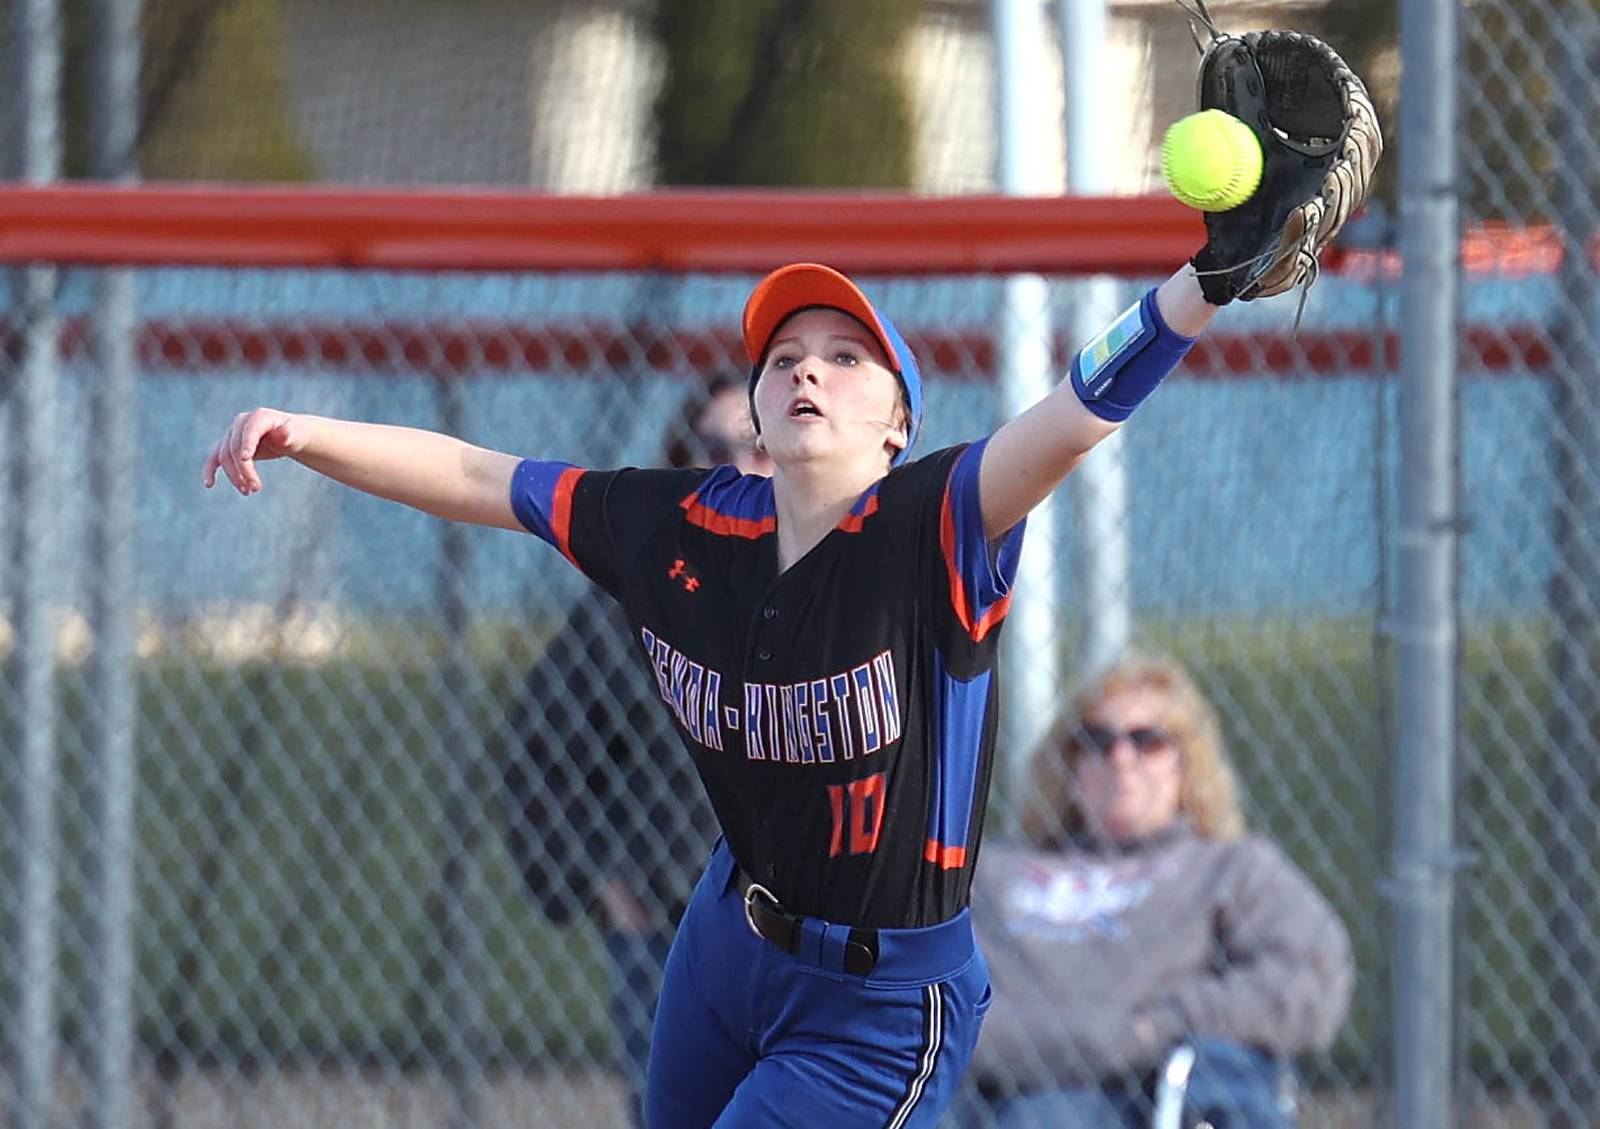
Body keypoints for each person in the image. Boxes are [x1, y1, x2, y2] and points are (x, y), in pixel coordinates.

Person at [203, 257, 1220, 1127]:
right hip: (726, 946)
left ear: (897, 424)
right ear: (757, 407)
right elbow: (482, 479)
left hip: (877, 999)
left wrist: (1204, 281)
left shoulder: (935, 524)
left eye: (845, 357)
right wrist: (307, 433)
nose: (805, 369)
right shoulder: (680, 525)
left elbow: (1078, 413)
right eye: (783, 357)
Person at [499, 375, 771, 1127]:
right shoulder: (634, 601)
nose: (739, 466)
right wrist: (601, 884)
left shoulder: (840, 585)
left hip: (813, 931)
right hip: (672, 926)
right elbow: (538, 757)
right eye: (711, 448)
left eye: (757, 445)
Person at [959, 652, 1353, 1129]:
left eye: (1147, 741)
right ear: (1068, 763)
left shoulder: (1228, 866)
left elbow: (1310, 974)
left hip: (1150, 1084)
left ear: (1187, 763)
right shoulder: (990, 871)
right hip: (1003, 1084)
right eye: (1096, 740)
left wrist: (1165, 1023)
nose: (1120, 759)